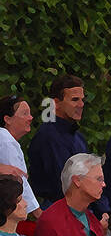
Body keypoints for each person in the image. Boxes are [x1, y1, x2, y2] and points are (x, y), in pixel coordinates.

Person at [27, 75, 106, 214]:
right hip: (59, 210)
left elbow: (90, 177)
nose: (81, 104)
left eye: (82, 99)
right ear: (56, 103)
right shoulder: (48, 137)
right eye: (75, 99)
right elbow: (64, 183)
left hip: (81, 209)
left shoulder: (78, 137)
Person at [0, 95, 40, 219]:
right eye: (25, 113)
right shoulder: (5, 140)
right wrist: (38, 213)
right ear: (8, 119)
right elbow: (19, 181)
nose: (31, 118)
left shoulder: (6, 139)